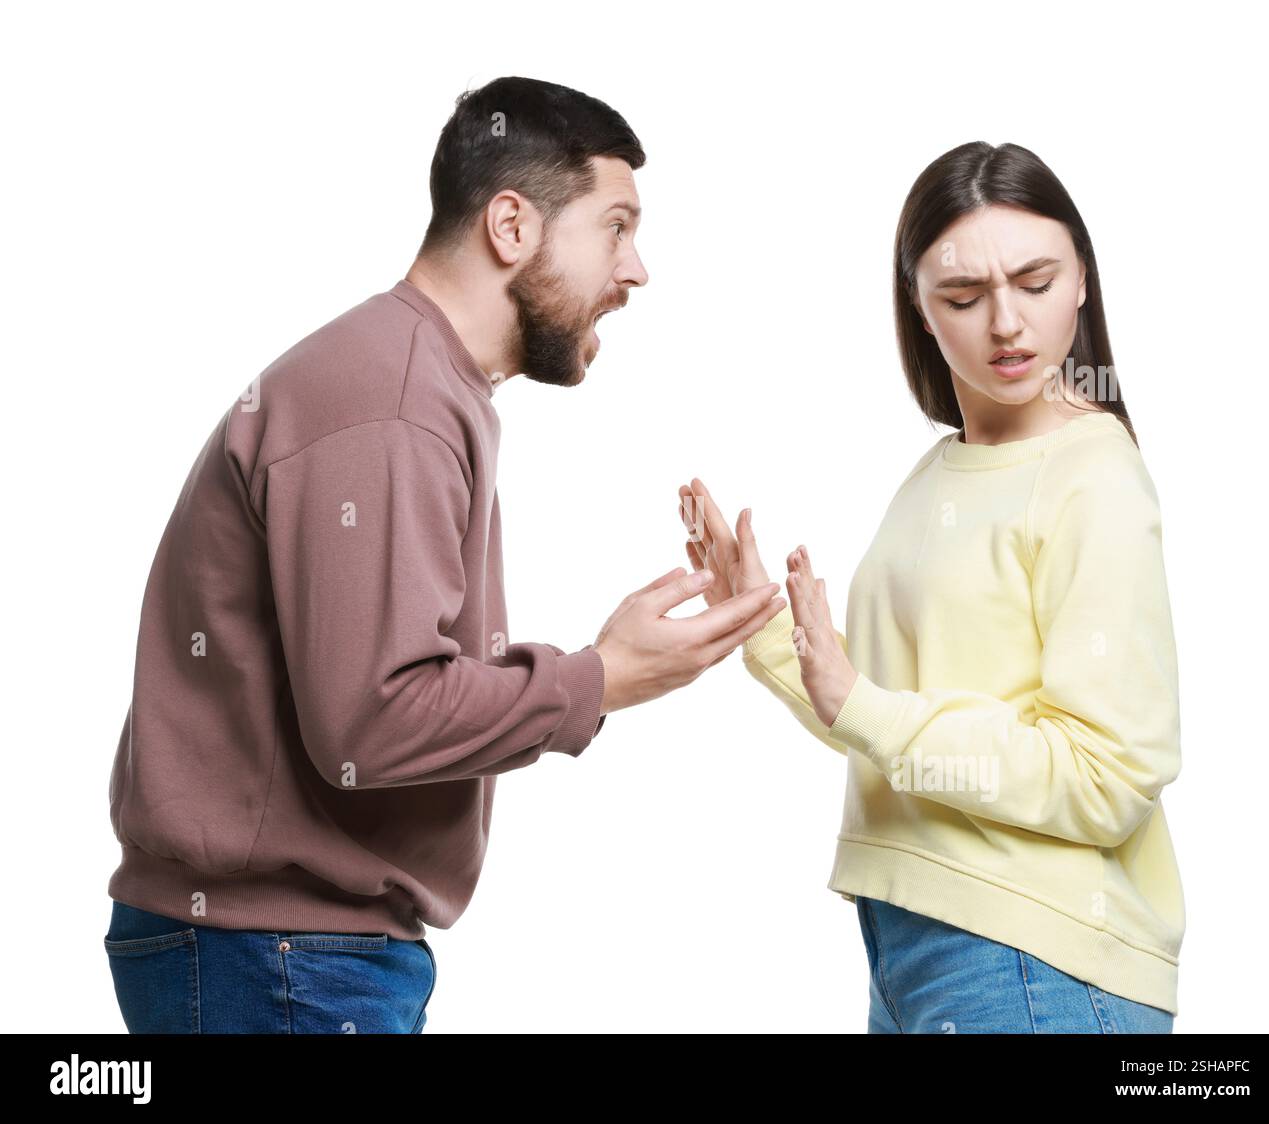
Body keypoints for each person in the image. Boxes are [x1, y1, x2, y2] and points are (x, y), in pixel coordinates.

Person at [103, 75, 786, 1034]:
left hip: (282, 956)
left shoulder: (411, 383)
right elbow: (371, 723)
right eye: (617, 227)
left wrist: (606, 669)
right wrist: (601, 678)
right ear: (512, 226)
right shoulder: (391, 401)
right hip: (278, 961)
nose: (637, 272)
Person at [679, 141, 1183, 1034]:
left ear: (1081, 283)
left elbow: (1110, 773)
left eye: (1035, 282)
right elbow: (876, 717)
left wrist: (870, 711)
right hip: (917, 944)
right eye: (963, 296)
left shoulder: (1092, 474)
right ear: (918, 309)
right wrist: (761, 620)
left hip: (1036, 954)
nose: (1006, 325)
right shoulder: (937, 472)